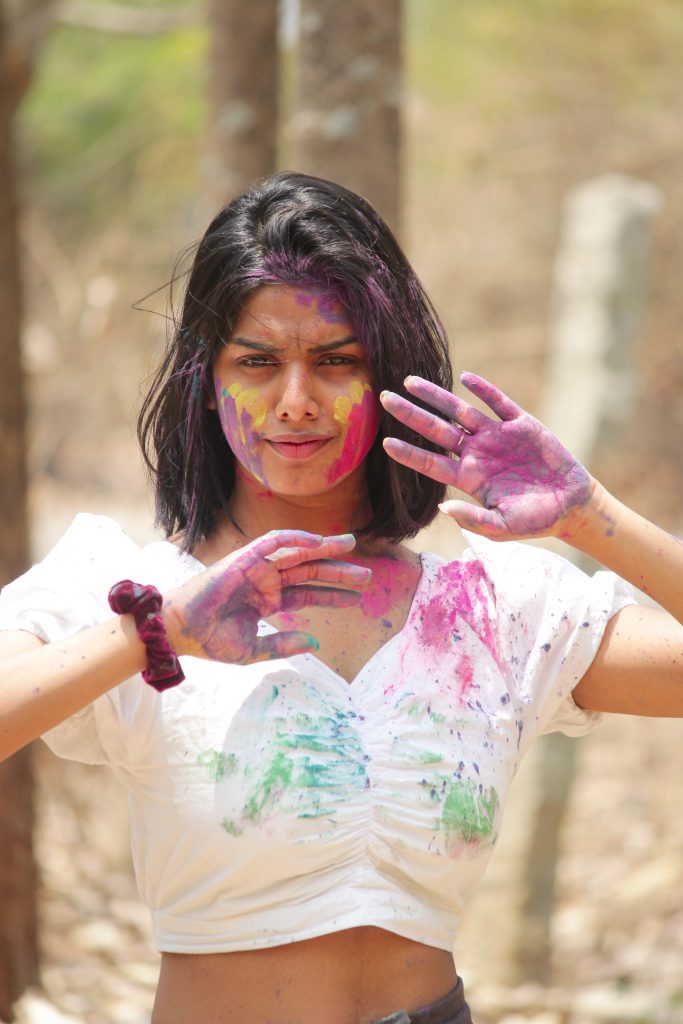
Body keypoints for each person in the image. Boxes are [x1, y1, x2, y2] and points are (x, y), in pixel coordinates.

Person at [0, 171, 681, 1024]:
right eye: (256, 361)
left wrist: (593, 518)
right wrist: (156, 632)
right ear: (204, 383)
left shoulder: (493, 604)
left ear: (388, 373)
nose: (295, 402)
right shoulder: (127, 589)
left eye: (336, 361)